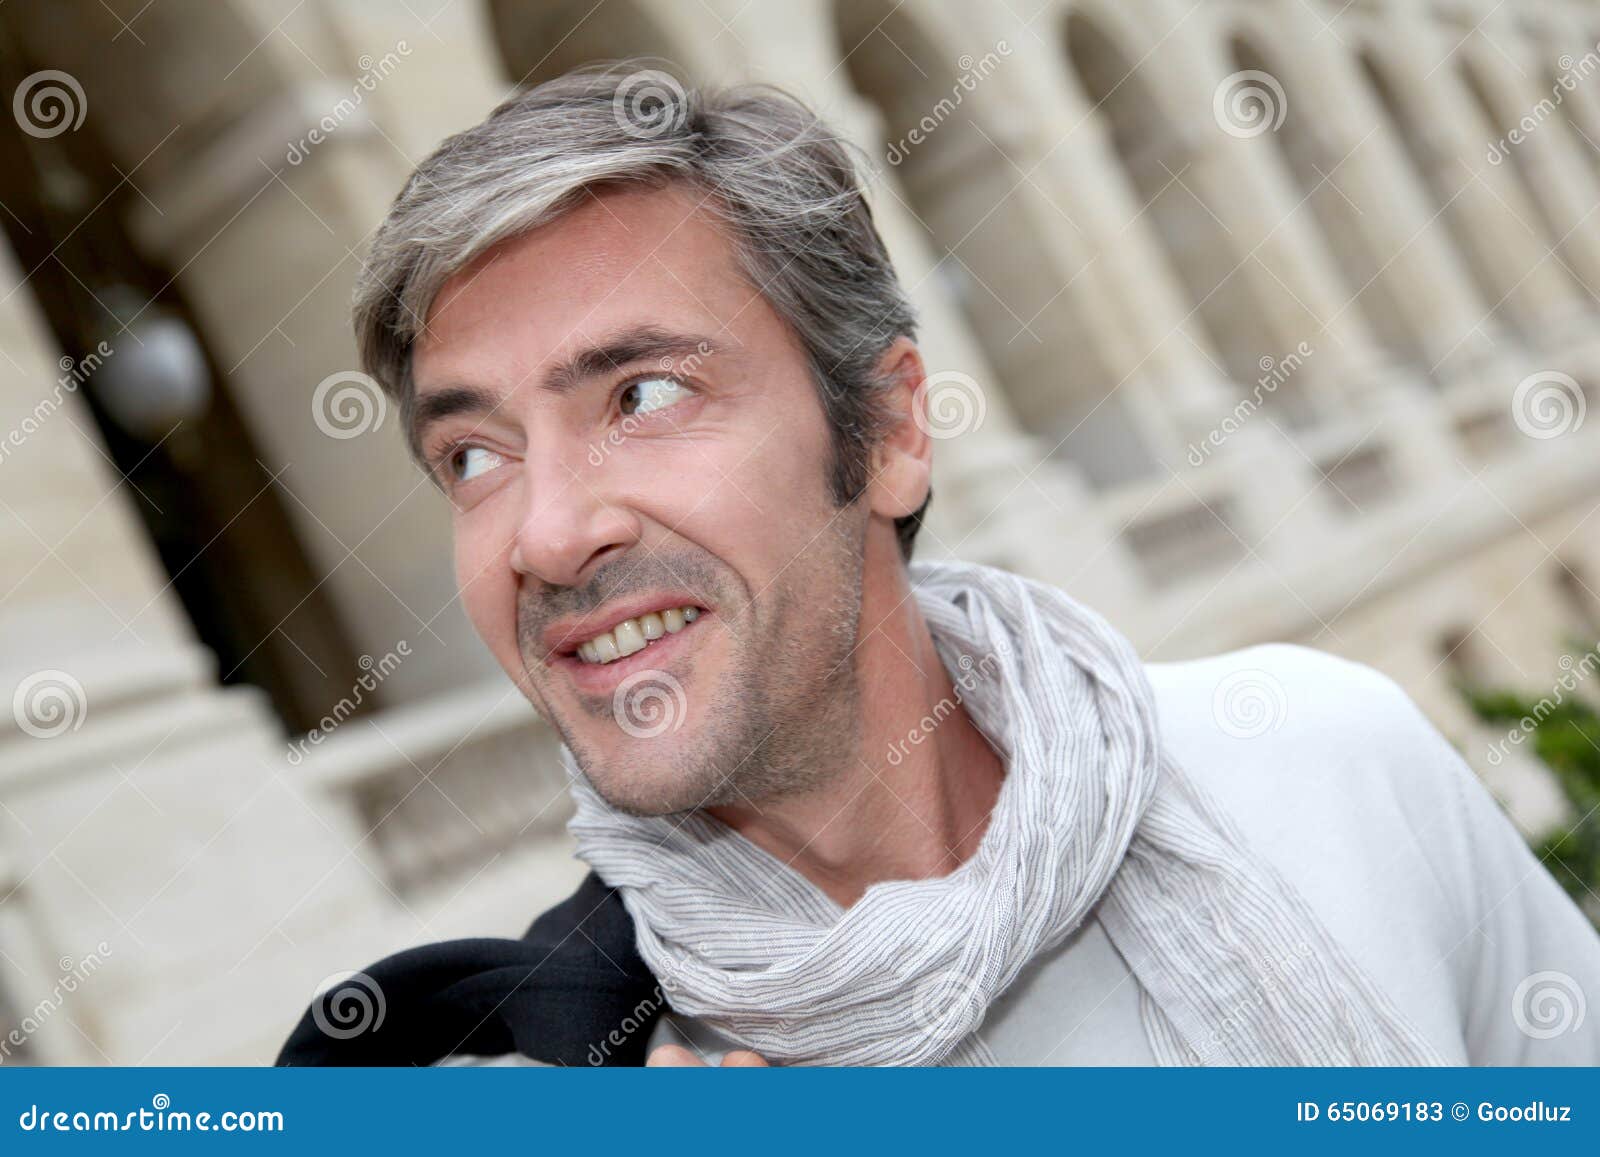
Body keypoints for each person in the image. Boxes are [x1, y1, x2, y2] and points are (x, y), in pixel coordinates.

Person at [278, 62, 1600, 1067]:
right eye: (473, 455)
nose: (548, 533)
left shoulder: (1329, 760)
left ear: (894, 428)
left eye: (641, 395)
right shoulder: (524, 1065)